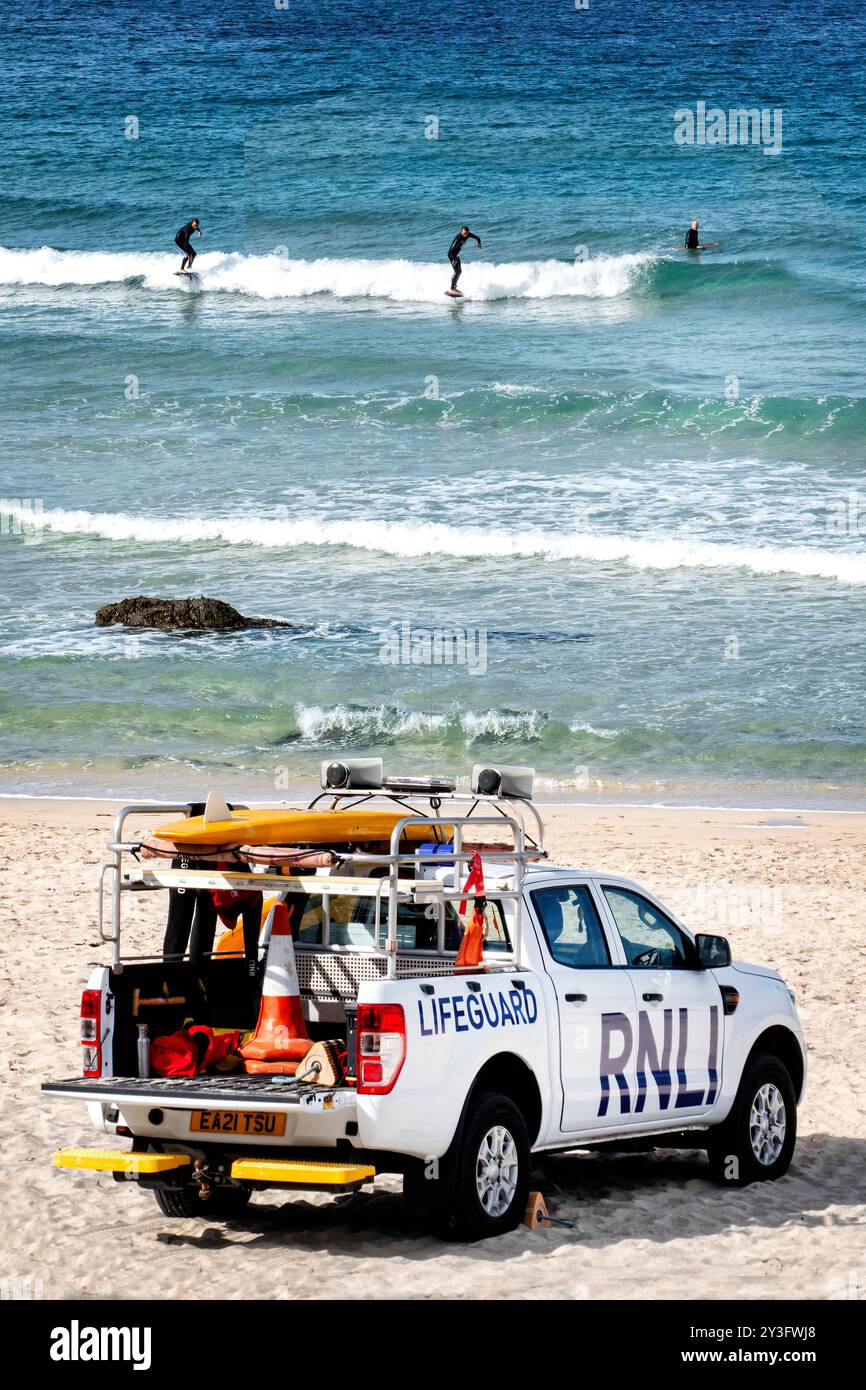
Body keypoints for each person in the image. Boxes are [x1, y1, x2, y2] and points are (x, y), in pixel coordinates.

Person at [448, 225, 482, 292]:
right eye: (464, 233)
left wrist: (479, 244)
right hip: (452, 255)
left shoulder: (468, 234)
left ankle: (454, 287)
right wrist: (453, 260)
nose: (465, 235)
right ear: (461, 232)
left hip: (456, 255)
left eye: (466, 233)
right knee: (457, 272)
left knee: (459, 272)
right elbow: (451, 251)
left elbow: (478, 238)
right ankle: (452, 288)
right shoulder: (458, 239)